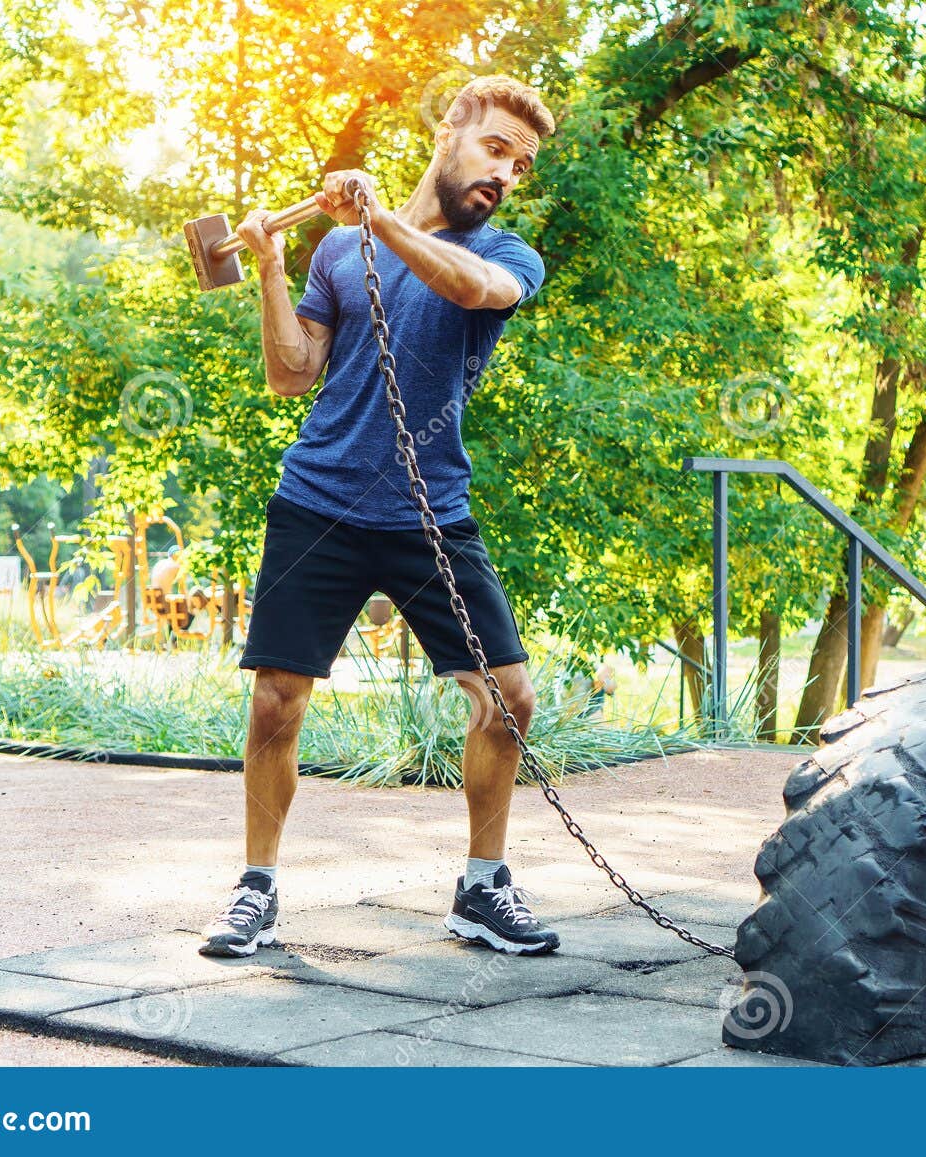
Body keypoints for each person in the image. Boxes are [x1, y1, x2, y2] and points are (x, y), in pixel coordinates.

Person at [200, 77, 560, 959]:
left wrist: (378, 221)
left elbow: (475, 290)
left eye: (521, 163)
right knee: (276, 701)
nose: (507, 172)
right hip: (318, 502)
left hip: (431, 514)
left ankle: (482, 888)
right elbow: (292, 371)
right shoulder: (332, 252)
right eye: (496, 148)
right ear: (449, 135)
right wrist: (276, 267)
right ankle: (257, 889)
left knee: (506, 698)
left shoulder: (508, 252)